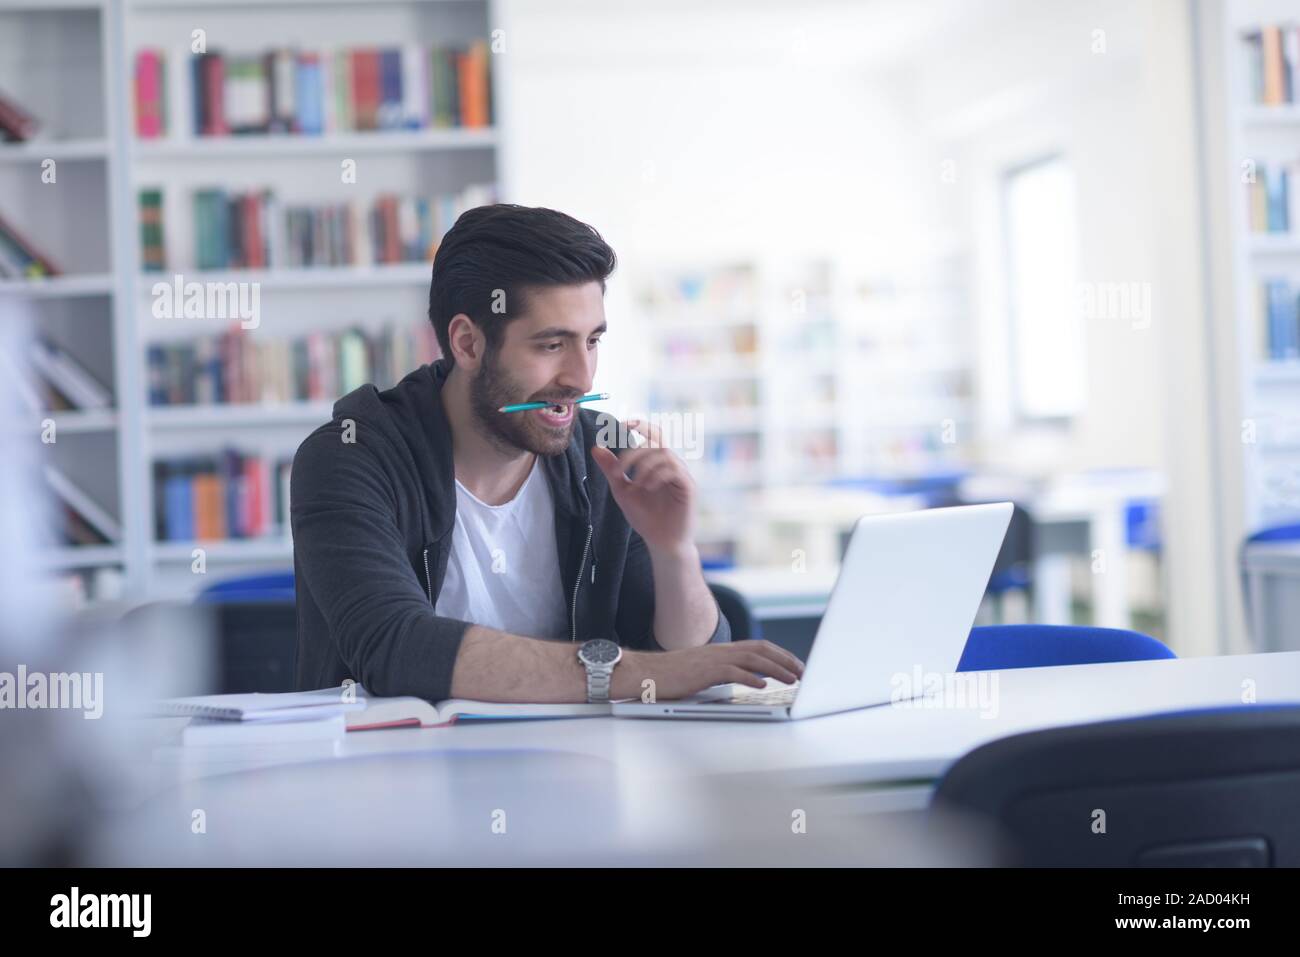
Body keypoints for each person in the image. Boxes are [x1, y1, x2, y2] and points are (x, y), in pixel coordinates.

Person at [292, 203, 803, 704]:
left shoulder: (609, 453)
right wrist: (628, 671)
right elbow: (397, 648)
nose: (581, 379)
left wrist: (674, 553)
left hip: (575, 769)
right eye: (551, 345)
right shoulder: (348, 458)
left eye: (593, 341)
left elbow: (693, 668)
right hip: (389, 774)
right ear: (468, 344)